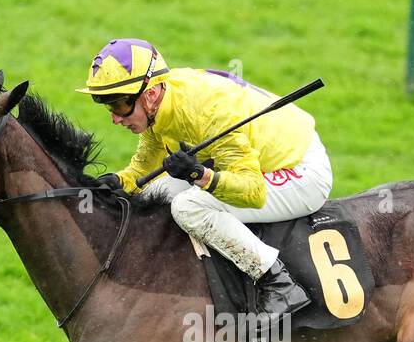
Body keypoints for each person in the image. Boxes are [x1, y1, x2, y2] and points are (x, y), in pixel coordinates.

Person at [77, 38, 333, 318]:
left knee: (188, 207)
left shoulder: (206, 112)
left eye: (118, 105)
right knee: (154, 193)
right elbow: (146, 161)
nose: (115, 118)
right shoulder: (162, 101)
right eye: (107, 106)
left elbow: (252, 192)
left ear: (149, 95)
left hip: (299, 170)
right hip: (254, 160)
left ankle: (277, 281)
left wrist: (200, 175)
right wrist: (121, 182)